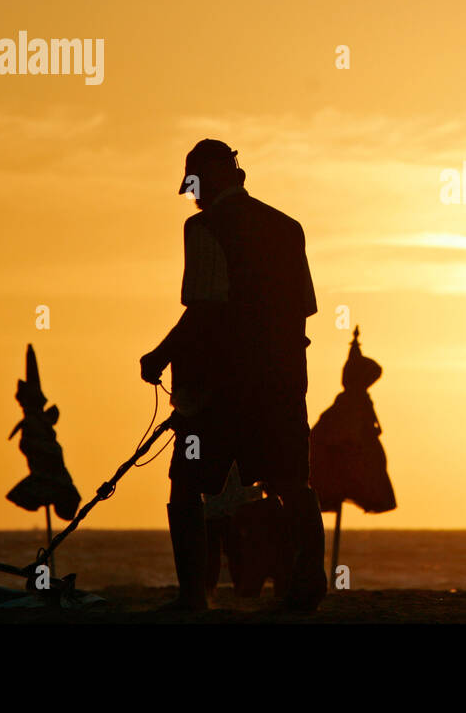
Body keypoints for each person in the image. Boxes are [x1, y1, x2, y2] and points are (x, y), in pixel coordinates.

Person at [139, 139, 327, 610]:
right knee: (290, 483)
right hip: (282, 382)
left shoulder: (202, 229)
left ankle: (192, 596)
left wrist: (158, 356)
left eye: (194, 185)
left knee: (186, 484)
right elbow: (306, 306)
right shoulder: (288, 228)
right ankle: (308, 584)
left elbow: (203, 311)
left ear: (208, 180)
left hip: (218, 390)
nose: (193, 196)